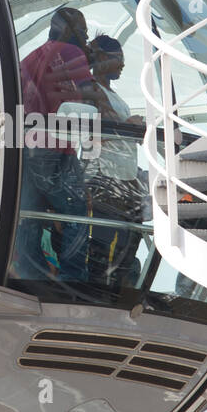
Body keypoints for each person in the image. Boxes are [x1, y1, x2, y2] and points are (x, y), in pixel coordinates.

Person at [14, 6, 96, 283]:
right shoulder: (72, 53)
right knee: (76, 213)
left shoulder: (28, 58)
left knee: (28, 216)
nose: (84, 38)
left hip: (26, 148)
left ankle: (31, 276)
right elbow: (89, 95)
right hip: (57, 148)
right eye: (83, 31)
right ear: (69, 29)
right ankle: (73, 278)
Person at [83, 35, 145, 291]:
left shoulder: (108, 93)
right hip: (105, 179)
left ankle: (117, 292)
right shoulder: (91, 90)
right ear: (102, 58)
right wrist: (129, 127)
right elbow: (94, 134)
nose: (122, 65)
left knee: (129, 241)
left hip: (125, 179)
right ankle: (100, 295)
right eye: (117, 58)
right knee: (103, 245)